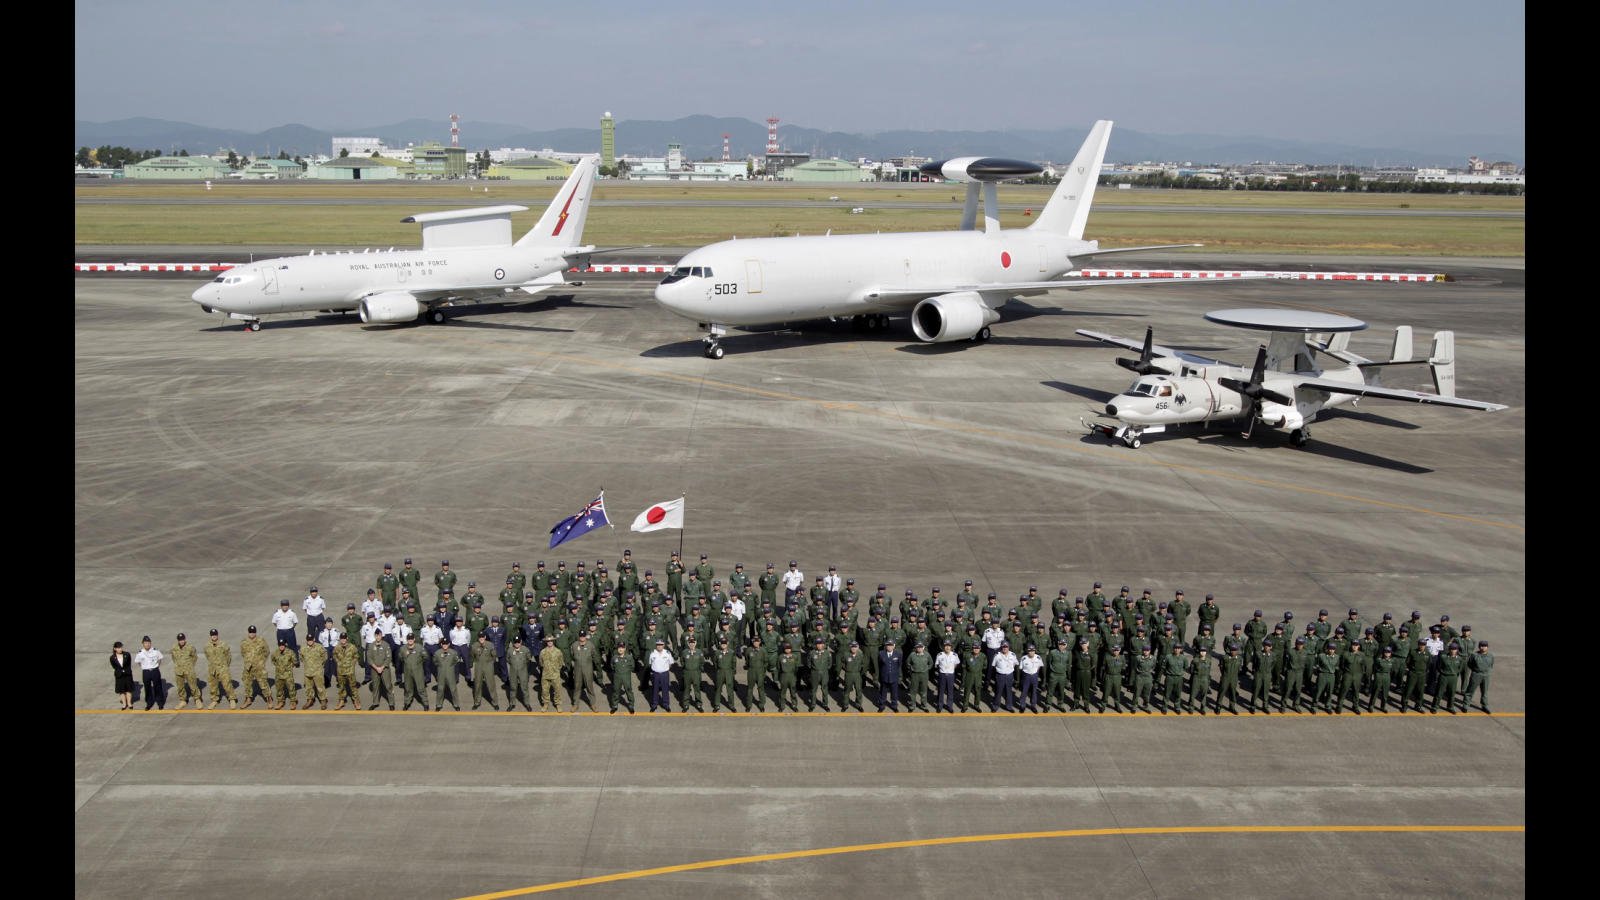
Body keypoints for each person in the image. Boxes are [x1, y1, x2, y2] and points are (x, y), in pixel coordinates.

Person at [203, 629, 236, 710]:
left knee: (227, 684)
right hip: (212, 669)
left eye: (215, 635)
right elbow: (207, 656)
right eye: (212, 635)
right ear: (210, 636)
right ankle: (214, 700)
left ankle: (232, 699)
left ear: (217, 635)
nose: (214, 636)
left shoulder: (223, 645)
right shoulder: (207, 646)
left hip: (222, 668)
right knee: (213, 686)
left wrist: (225, 666)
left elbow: (228, 656)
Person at [169, 633, 200, 710]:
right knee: (180, 686)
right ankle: (183, 700)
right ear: (178, 641)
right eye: (180, 640)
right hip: (179, 670)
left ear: (185, 639)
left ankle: (197, 699)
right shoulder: (174, 648)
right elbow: (174, 658)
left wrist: (190, 666)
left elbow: (194, 657)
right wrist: (179, 665)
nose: (182, 641)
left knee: (193, 685)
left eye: (183, 639)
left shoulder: (190, 647)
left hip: (189, 670)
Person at [135, 636, 165, 710]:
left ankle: (160, 702)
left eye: (148, 643)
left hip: (155, 670)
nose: (147, 644)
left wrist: (156, 666)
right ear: (143, 644)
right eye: (145, 643)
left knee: (157, 687)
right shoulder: (140, 652)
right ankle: (149, 703)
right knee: (147, 687)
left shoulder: (155, 650)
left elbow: (160, 658)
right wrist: (144, 667)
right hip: (146, 672)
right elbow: (138, 662)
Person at [399, 635, 428, 711]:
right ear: (407, 640)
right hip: (407, 671)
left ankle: (425, 703)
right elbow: (400, 657)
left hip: (418, 671)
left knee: (421, 687)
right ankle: (407, 702)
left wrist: (418, 663)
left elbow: (425, 657)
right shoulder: (403, 648)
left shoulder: (419, 647)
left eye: (412, 639)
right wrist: (406, 655)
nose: (410, 640)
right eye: (409, 639)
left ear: (414, 639)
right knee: (408, 688)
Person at [332, 634, 361, 710]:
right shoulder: (337, 648)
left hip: (350, 671)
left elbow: (356, 656)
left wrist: (352, 664)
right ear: (340, 639)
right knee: (341, 687)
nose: (343, 640)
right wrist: (337, 661)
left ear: (347, 638)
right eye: (342, 639)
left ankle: (356, 701)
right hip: (340, 671)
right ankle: (341, 701)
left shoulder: (352, 647)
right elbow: (334, 655)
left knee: (353, 686)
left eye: (344, 638)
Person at [300, 634, 328, 710]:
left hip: (317, 671)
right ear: (306, 640)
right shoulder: (303, 648)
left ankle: (323, 700)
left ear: (314, 639)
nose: (310, 641)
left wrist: (319, 664)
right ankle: (310, 700)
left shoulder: (319, 647)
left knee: (320, 687)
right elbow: (301, 658)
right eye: (308, 640)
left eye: (311, 640)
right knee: (308, 688)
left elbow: (325, 656)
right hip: (307, 671)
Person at [506, 635, 533, 712]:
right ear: (513, 643)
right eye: (515, 642)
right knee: (513, 687)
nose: (517, 644)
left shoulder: (525, 650)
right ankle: (512, 703)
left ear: (521, 642)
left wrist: (522, 665)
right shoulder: (510, 650)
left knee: (524, 688)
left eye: (518, 642)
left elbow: (528, 659)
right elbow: (508, 659)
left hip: (523, 671)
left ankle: (527, 703)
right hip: (513, 672)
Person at [434, 642, 463, 711]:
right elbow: (435, 661)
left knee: (453, 689)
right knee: (440, 689)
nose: (445, 645)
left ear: (449, 644)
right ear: (441, 645)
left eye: (446, 644)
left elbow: (456, 661)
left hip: (450, 673)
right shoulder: (437, 653)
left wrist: (450, 666)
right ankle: (438, 704)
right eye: (443, 644)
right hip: (441, 673)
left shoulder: (453, 652)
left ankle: (456, 704)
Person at [1467, 640, 1494, 713]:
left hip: (1486, 675)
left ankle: (1485, 705)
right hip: (1476, 674)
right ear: (1479, 647)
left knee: (1484, 692)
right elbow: (1470, 664)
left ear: (1487, 647)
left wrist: (1486, 672)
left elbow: (1491, 664)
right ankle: (1466, 705)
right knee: (1470, 690)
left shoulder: (1491, 655)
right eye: (1481, 646)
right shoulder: (1474, 655)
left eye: (1485, 646)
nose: (1483, 648)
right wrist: (1475, 670)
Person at [648, 640, 674, 713]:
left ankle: (666, 705)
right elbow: (650, 663)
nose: (659, 646)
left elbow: (670, 663)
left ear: (663, 645)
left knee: (665, 689)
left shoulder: (667, 653)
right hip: (655, 674)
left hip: (664, 674)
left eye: (661, 645)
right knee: (655, 690)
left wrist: (664, 669)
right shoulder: (653, 653)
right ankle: (654, 705)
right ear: (656, 646)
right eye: (658, 645)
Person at [110, 641, 135, 710]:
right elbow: (114, 666)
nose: (120, 649)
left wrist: (127, 671)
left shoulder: (127, 654)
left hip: (127, 674)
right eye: (118, 648)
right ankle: (124, 704)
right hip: (119, 675)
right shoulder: (112, 657)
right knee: (121, 690)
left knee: (128, 689)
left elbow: (129, 663)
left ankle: (129, 703)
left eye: (121, 647)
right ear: (115, 649)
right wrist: (120, 671)